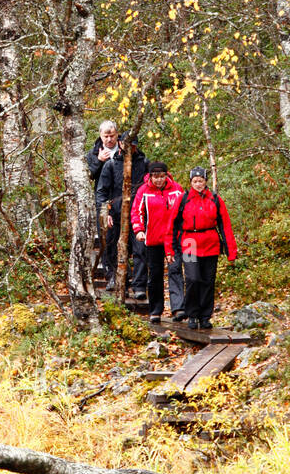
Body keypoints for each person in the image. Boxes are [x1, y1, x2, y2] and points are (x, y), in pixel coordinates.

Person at [169, 167, 237, 330]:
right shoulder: (183, 199)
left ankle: (205, 316)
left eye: (200, 181)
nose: (198, 184)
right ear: (191, 182)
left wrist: (231, 250)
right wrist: (170, 249)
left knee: (208, 280)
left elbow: (225, 225)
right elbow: (172, 225)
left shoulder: (215, 199)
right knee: (192, 278)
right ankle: (192, 314)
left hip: (210, 243)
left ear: (205, 181)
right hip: (189, 242)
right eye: (195, 181)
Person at [131, 161, 186, 323]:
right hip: (153, 239)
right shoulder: (144, 190)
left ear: (166, 175)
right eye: (155, 177)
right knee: (155, 275)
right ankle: (155, 310)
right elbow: (136, 212)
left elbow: (185, 210)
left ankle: (178, 308)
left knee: (175, 270)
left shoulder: (176, 189)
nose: (159, 180)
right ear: (150, 176)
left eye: (161, 176)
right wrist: (139, 230)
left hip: (173, 239)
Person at [95, 132, 149, 297]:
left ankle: (139, 286)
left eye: (132, 145)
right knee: (113, 249)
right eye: (126, 145)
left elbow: (151, 186)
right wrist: (106, 213)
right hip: (116, 214)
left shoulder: (144, 163)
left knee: (141, 250)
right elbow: (101, 192)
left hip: (138, 215)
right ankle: (118, 282)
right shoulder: (111, 165)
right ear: (120, 144)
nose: (129, 148)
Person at [87, 120, 120, 285]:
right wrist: (98, 161)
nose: (109, 139)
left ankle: (123, 275)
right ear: (100, 136)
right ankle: (110, 276)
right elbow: (88, 176)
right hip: (102, 200)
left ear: (117, 135)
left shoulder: (123, 149)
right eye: (106, 136)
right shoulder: (93, 152)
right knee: (105, 238)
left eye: (112, 136)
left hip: (121, 199)